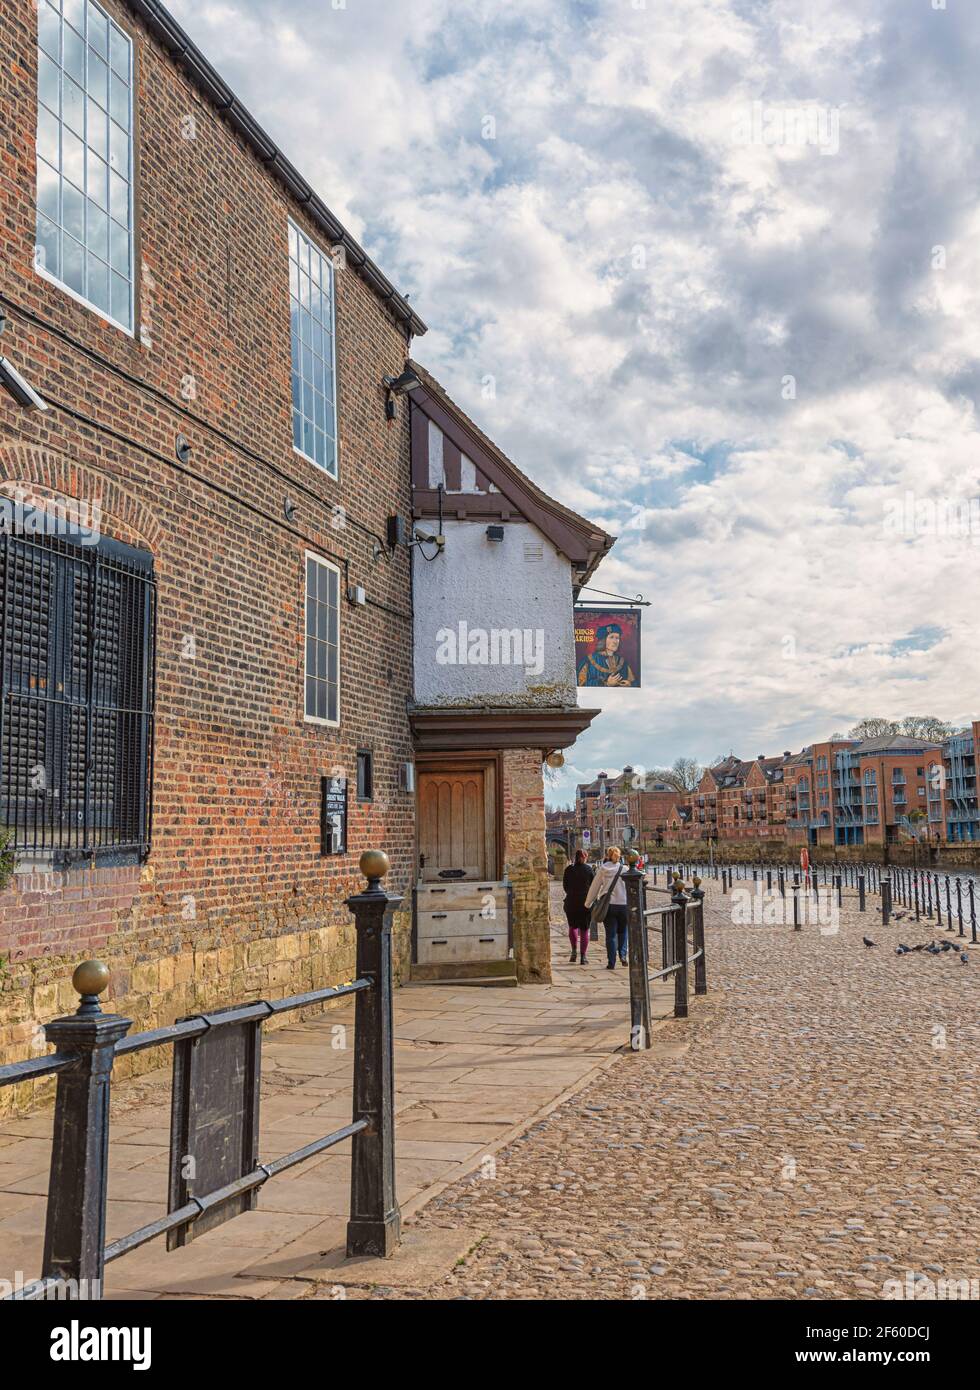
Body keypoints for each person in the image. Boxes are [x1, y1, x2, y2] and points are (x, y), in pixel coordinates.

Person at [585, 845, 629, 969]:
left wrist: (588, 903)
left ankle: (611, 962)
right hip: (624, 905)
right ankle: (623, 955)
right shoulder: (625, 869)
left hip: (608, 906)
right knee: (623, 931)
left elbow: (595, 887)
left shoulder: (603, 869)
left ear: (607, 856)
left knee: (611, 934)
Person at [562, 849, 594, 964]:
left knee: (572, 926)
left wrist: (571, 893)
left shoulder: (568, 870)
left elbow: (565, 886)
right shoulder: (589, 870)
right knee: (584, 929)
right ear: (584, 857)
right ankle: (583, 957)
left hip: (571, 901)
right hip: (585, 902)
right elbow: (593, 887)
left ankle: (574, 951)